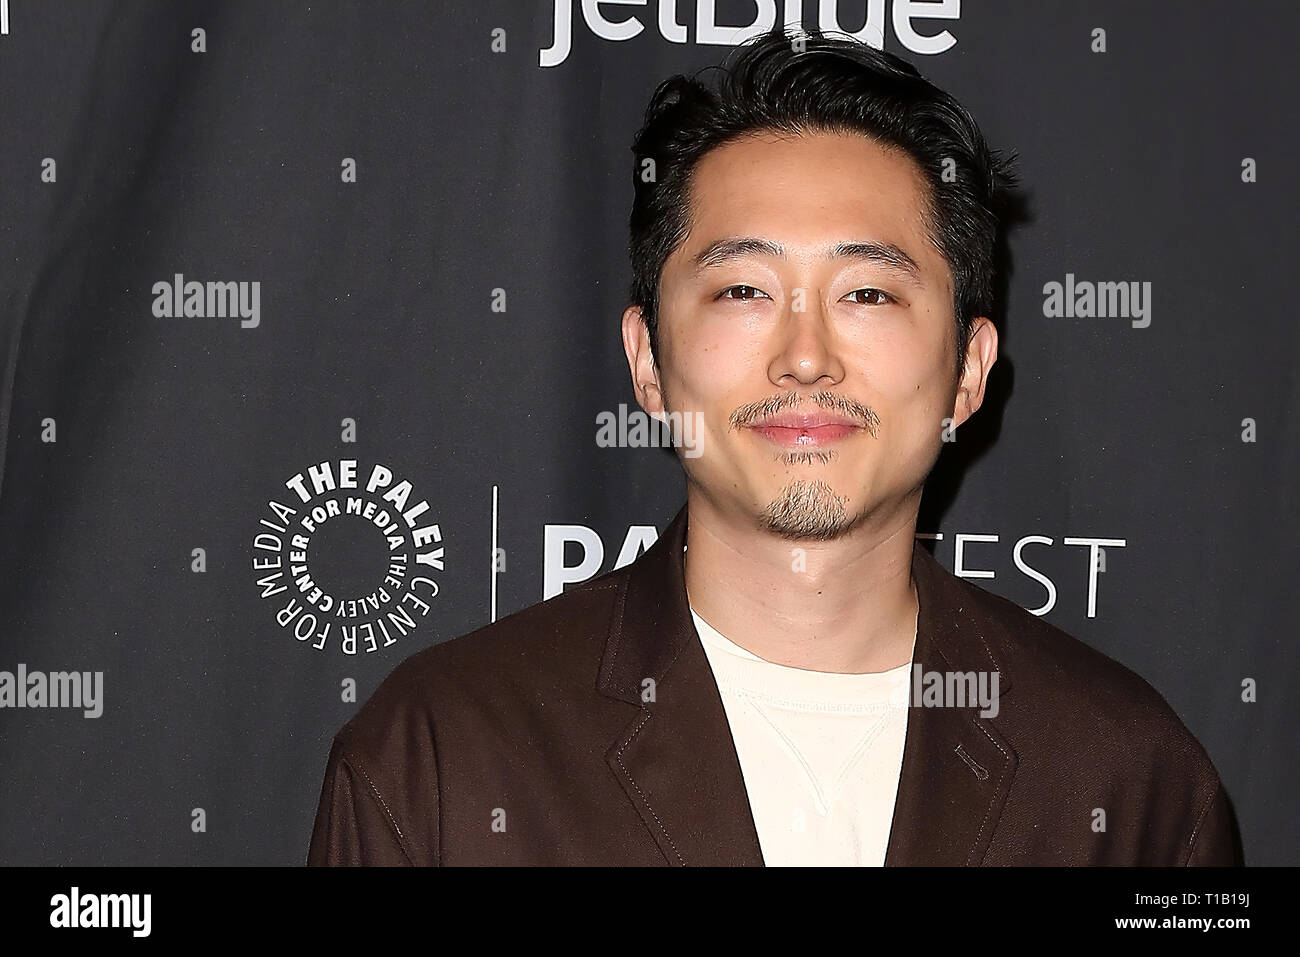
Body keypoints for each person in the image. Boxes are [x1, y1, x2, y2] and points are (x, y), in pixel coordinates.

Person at [307, 26, 1240, 866]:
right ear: (647, 358)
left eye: (868, 294)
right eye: (744, 291)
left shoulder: (1129, 782)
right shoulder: (440, 758)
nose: (804, 357)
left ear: (969, 367)